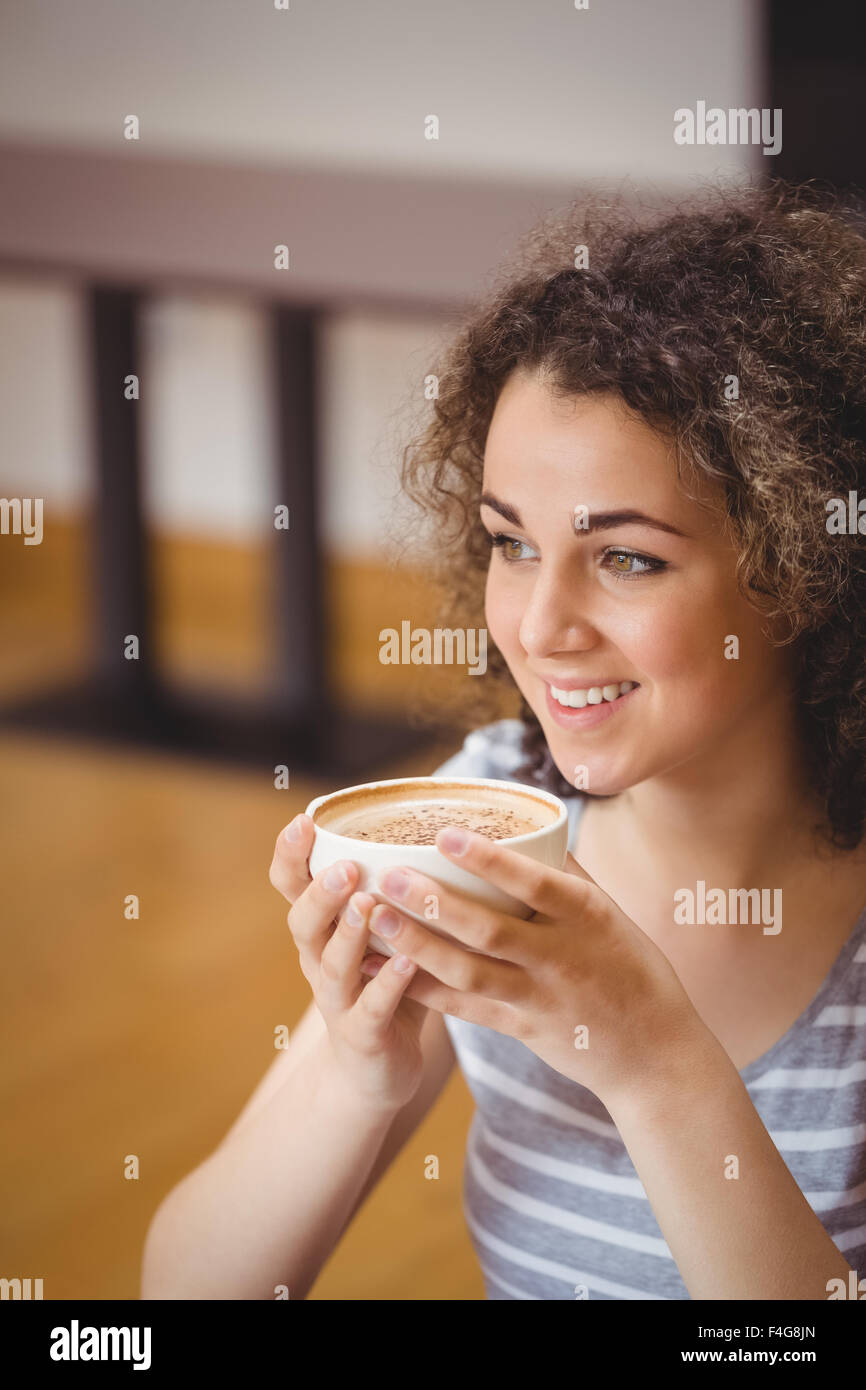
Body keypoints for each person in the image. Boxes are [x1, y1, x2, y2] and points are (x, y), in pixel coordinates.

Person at [141, 179, 866, 1300]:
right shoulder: (491, 825)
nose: (538, 627)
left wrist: (657, 1066)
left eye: (626, 557)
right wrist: (356, 1074)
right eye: (508, 543)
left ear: (798, 569)